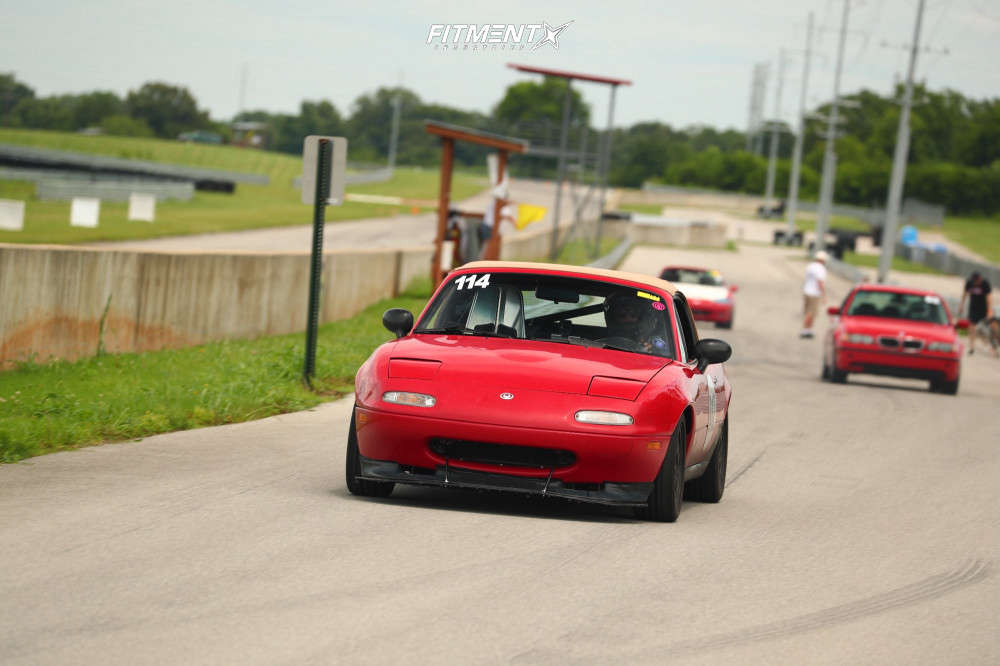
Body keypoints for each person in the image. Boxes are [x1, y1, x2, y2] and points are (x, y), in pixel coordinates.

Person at [603, 292, 669, 355]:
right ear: (612, 317)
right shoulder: (602, 342)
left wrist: (651, 352)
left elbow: (665, 354)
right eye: (622, 315)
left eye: (633, 315)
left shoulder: (654, 343)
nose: (628, 317)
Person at [960, 272, 993, 355]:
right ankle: (971, 347)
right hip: (973, 308)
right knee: (971, 327)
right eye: (974, 282)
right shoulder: (969, 283)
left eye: (976, 281)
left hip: (984, 309)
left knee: (991, 326)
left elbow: (989, 298)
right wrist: (961, 305)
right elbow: (964, 294)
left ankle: (993, 345)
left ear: (980, 279)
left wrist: (989, 310)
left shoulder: (985, 284)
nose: (975, 283)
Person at [800, 250, 828, 338]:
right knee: (812, 313)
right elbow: (820, 283)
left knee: (807, 312)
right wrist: (824, 295)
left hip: (806, 291)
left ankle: (808, 330)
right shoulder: (821, 269)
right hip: (815, 293)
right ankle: (805, 330)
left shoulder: (810, 266)